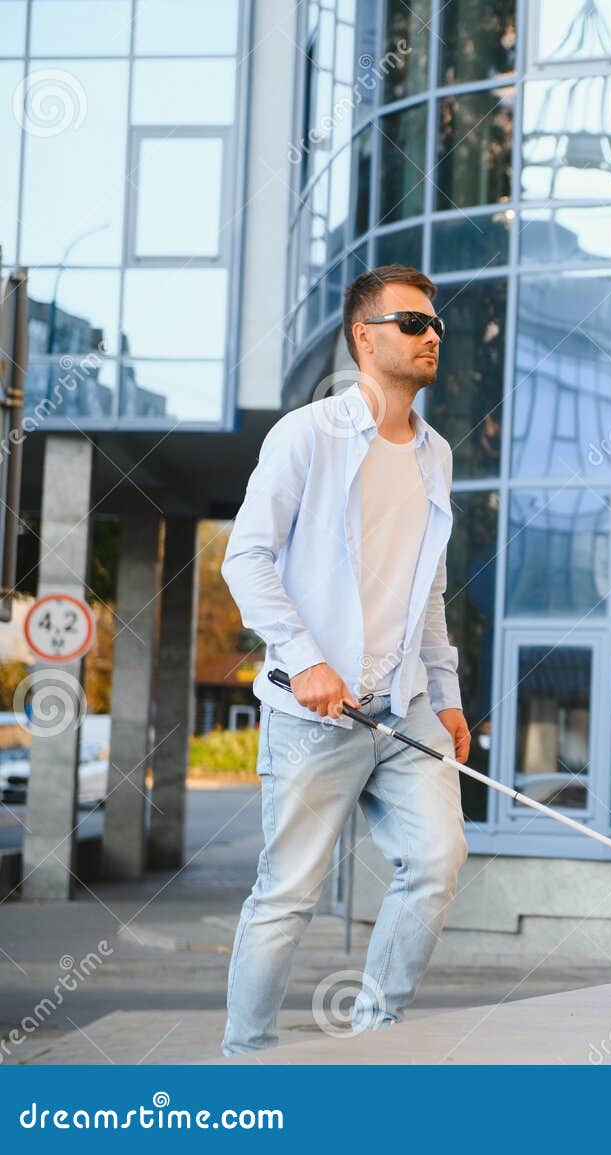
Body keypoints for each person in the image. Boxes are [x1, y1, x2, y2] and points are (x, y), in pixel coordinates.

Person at [219, 264, 471, 1056]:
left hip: (404, 709)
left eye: (436, 326)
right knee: (287, 893)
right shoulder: (307, 435)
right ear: (365, 336)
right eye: (412, 323)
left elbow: (424, 588)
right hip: (313, 713)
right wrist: (304, 658)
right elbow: (245, 559)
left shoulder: (437, 455)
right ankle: (246, 1059)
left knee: (437, 859)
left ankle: (372, 1038)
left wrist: (448, 690)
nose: (431, 335)